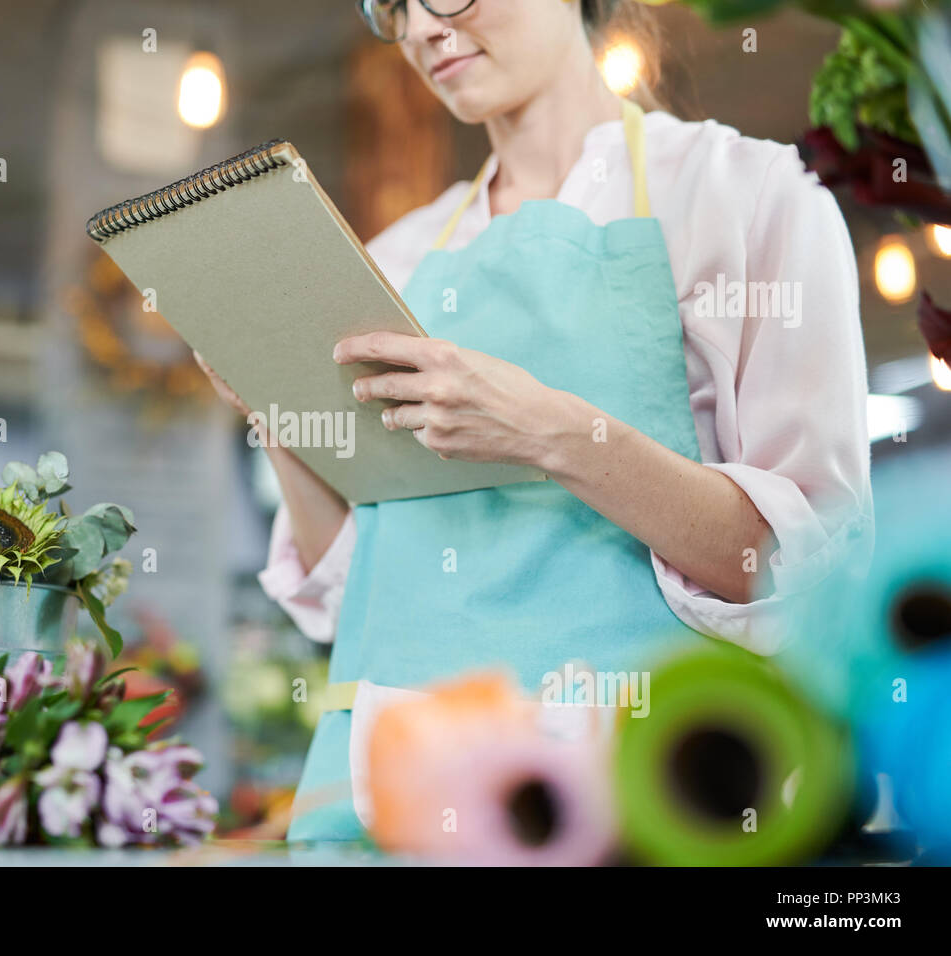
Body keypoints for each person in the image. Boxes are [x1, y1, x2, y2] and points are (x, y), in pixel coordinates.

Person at [196, 0, 873, 840]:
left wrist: (553, 434)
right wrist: (278, 416)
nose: (421, 29)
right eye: (393, 6)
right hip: (390, 809)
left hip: (636, 800)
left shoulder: (747, 196)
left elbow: (801, 569)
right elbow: (356, 596)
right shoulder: (397, 258)